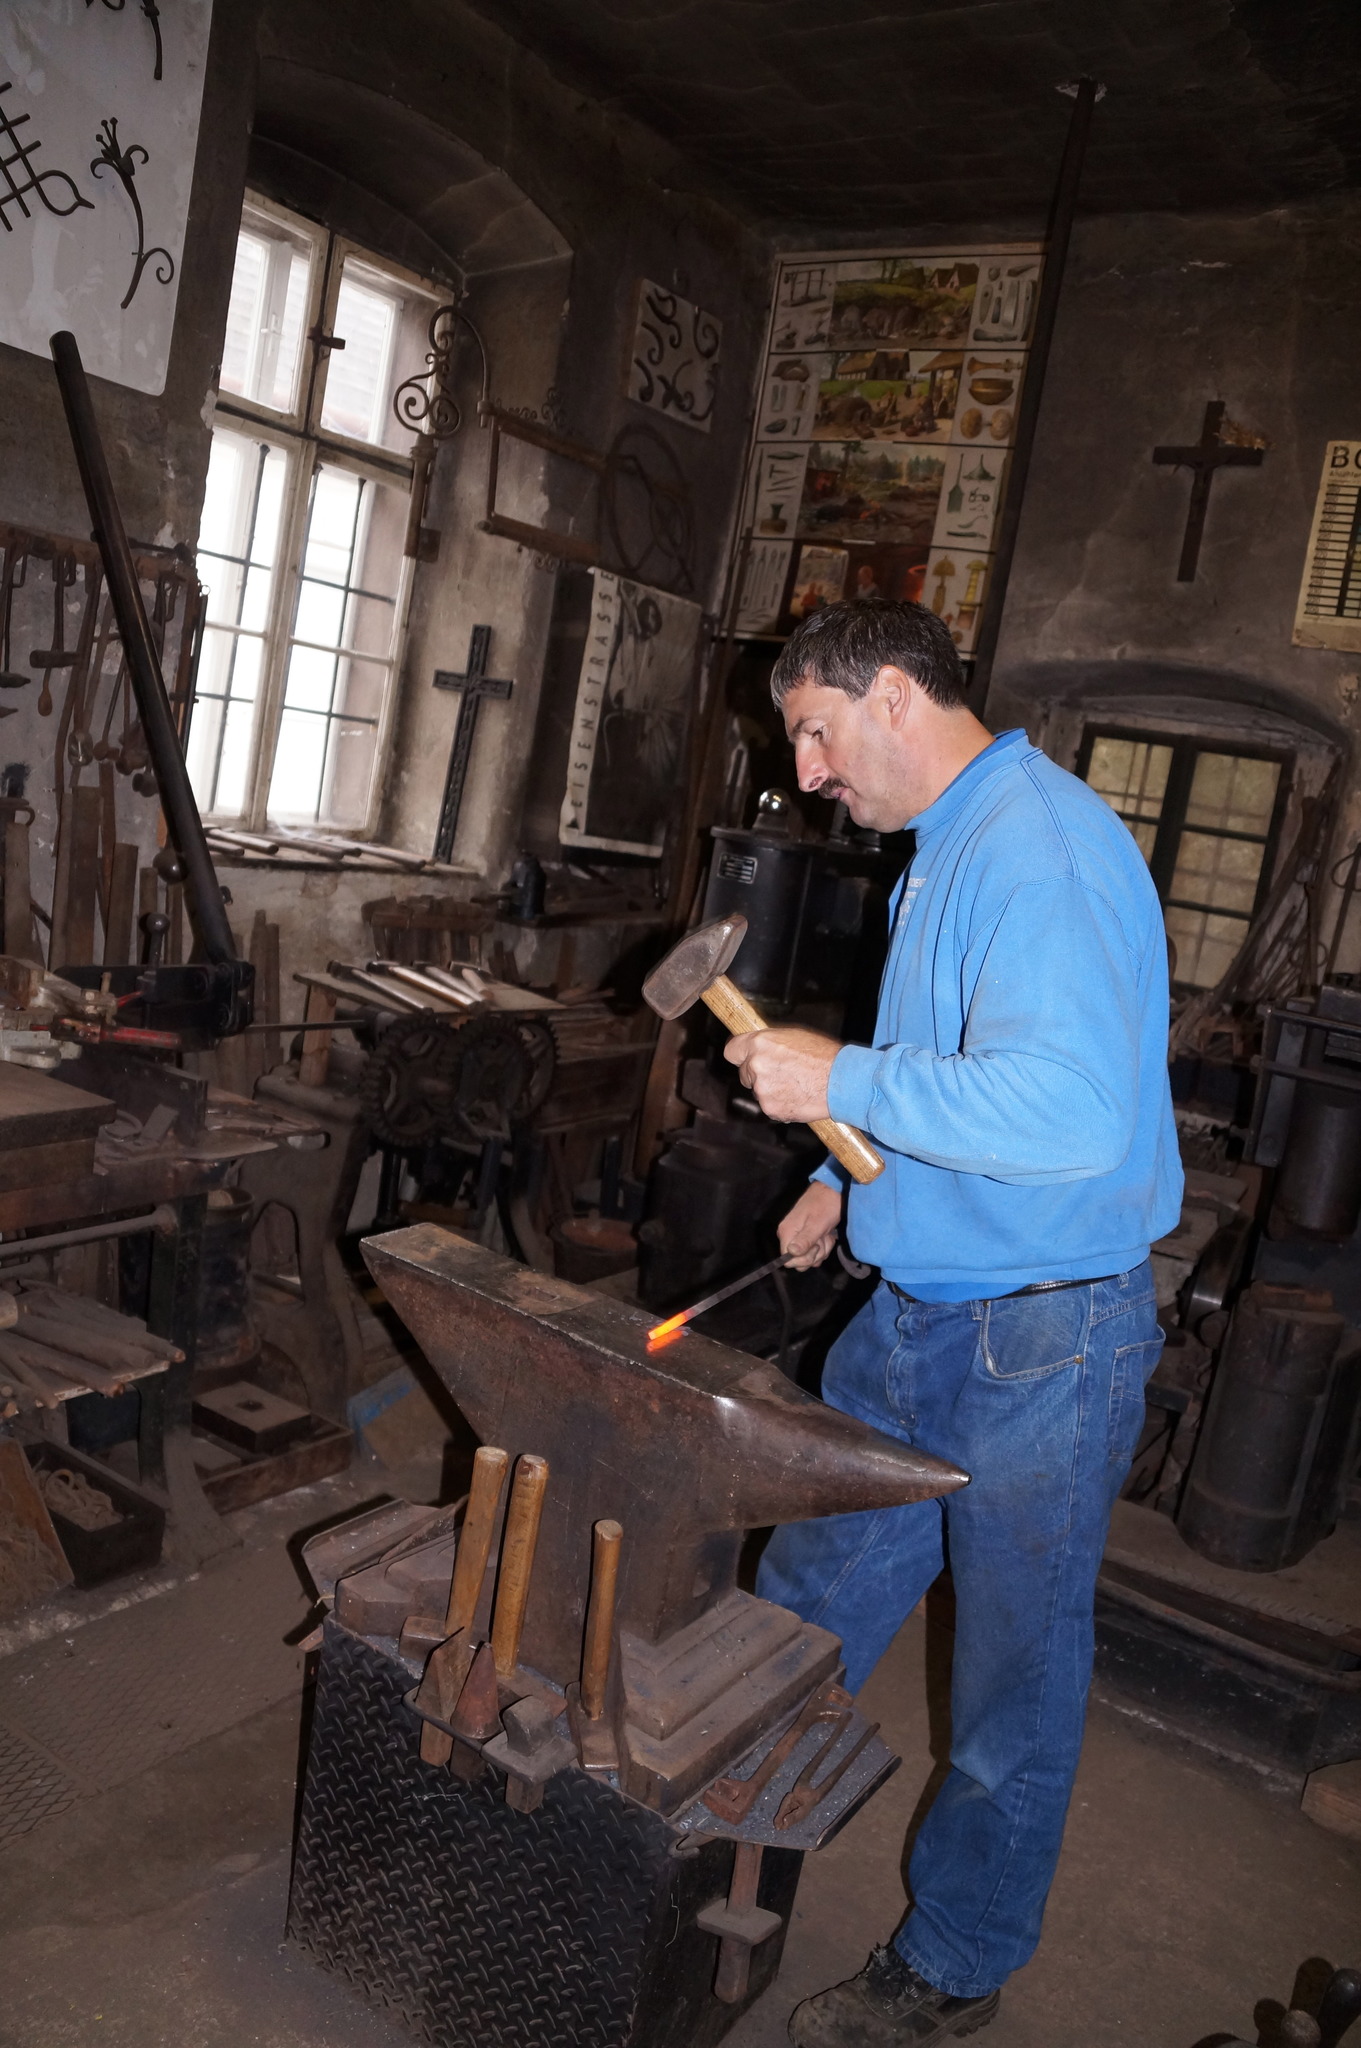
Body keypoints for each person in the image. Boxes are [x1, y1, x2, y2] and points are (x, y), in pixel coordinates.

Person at [724, 599, 1181, 2047]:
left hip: (1040, 1348)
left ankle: (954, 1963)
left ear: (898, 696)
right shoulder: (949, 846)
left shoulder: (1035, 850)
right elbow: (953, 1066)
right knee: (800, 1610)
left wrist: (839, 1080)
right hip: (914, 1316)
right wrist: (837, 1179)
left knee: (1007, 1681)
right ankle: (714, 1856)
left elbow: (1064, 1110)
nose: (803, 770)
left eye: (814, 729)